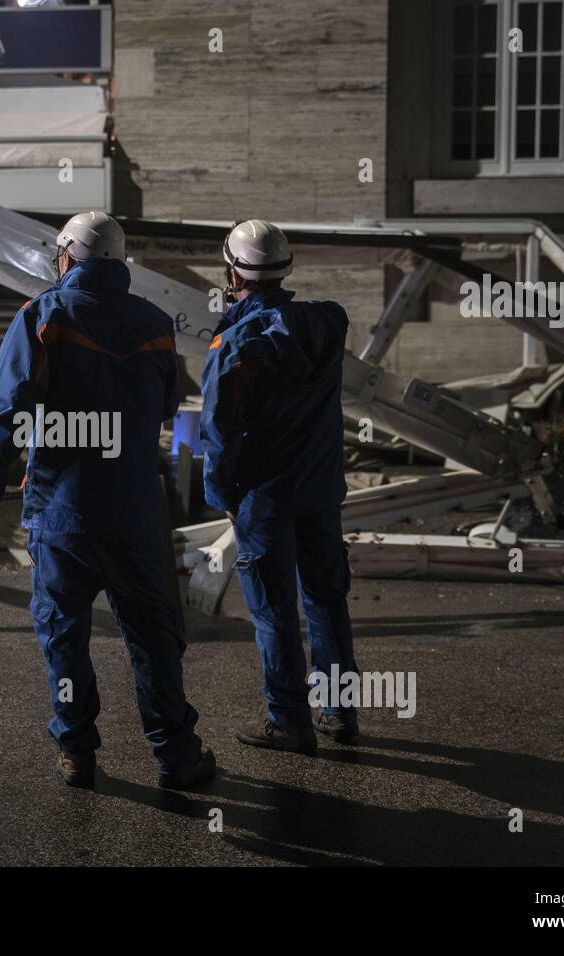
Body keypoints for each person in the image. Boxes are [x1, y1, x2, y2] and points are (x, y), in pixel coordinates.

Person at [0, 211, 214, 790]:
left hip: (63, 512)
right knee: (152, 634)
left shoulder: (42, 316)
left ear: (67, 257)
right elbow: (162, 409)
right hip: (132, 508)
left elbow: (9, 410)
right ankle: (176, 756)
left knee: (63, 633)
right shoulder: (155, 323)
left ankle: (77, 749)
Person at [200, 219, 361, 754]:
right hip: (319, 488)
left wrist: (220, 492)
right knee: (325, 598)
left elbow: (219, 429)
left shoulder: (234, 344)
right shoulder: (329, 322)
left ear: (232, 273)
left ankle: (288, 718)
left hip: (264, 496)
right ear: (285, 268)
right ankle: (338, 712)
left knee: (274, 609)